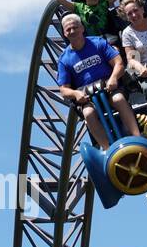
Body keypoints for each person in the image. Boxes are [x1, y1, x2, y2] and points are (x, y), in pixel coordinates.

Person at [55, 13, 138, 149]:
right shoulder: (64, 59)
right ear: (64, 33)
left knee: (118, 99)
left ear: (82, 28)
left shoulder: (98, 43)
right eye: (68, 30)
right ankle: (108, 149)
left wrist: (113, 79)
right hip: (88, 97)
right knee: (88, 113)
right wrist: (76, 94)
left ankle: (137, 136)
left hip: (109, 88)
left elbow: (119, 64)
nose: (72, 31)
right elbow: (64, 89)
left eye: (74, 28)